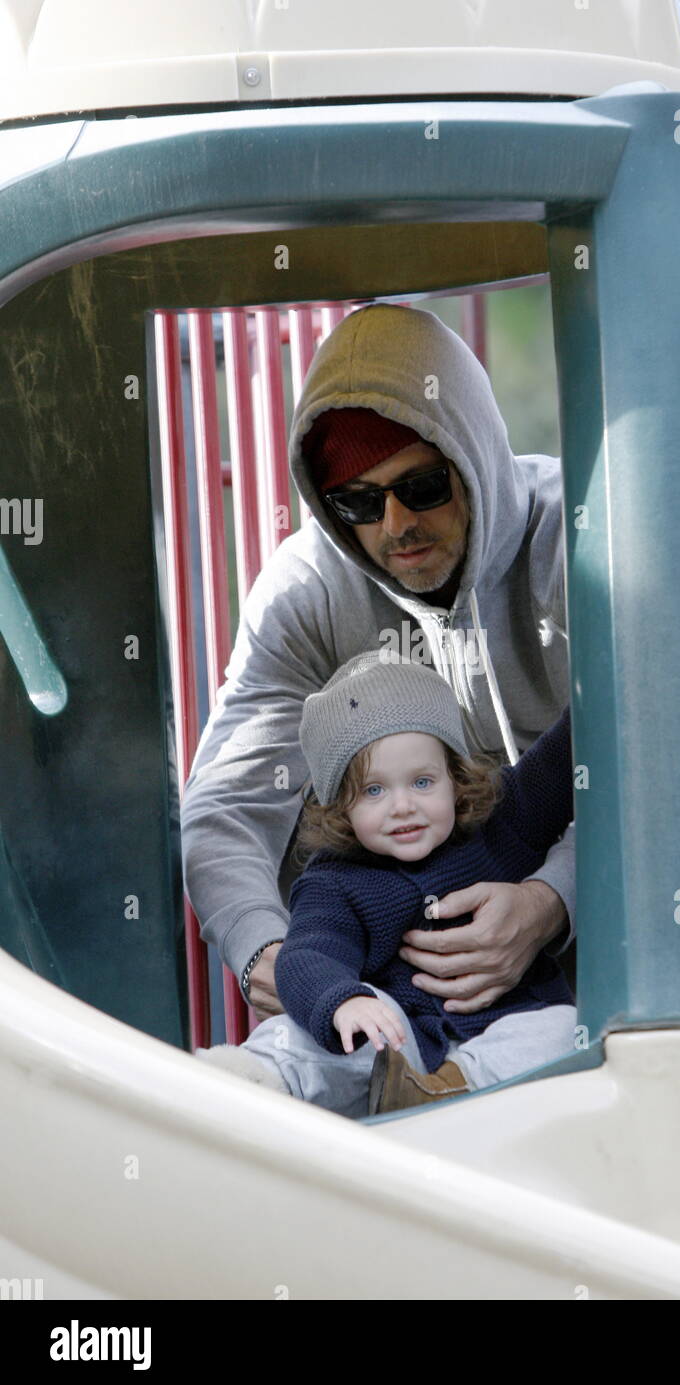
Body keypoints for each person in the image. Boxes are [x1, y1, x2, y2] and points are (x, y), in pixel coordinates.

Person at [181, 302, 576, 1025]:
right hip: (390, 1000)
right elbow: (228, 805)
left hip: (585, 977)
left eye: (422, 487)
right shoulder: (308, 591)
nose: (395, 525)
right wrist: (269, 954)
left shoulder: (578, 543)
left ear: (475, 456)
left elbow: (659, 760)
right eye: (359, 502)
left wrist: (551, 902)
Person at [196, 651, 577, 1118]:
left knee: (564, 1027)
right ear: (339, 805)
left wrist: (603, 677)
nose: (402, 806)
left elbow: (562, 759)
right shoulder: (334, 881)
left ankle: (448, 1089)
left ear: (455, 780)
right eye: (374, 790)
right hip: (399, 1047)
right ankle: (255, 1080)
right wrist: (343, 1001)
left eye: (422, 782)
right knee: (335, 1023)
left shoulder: (500, 825)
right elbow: (308, 954)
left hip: (500, 1034)